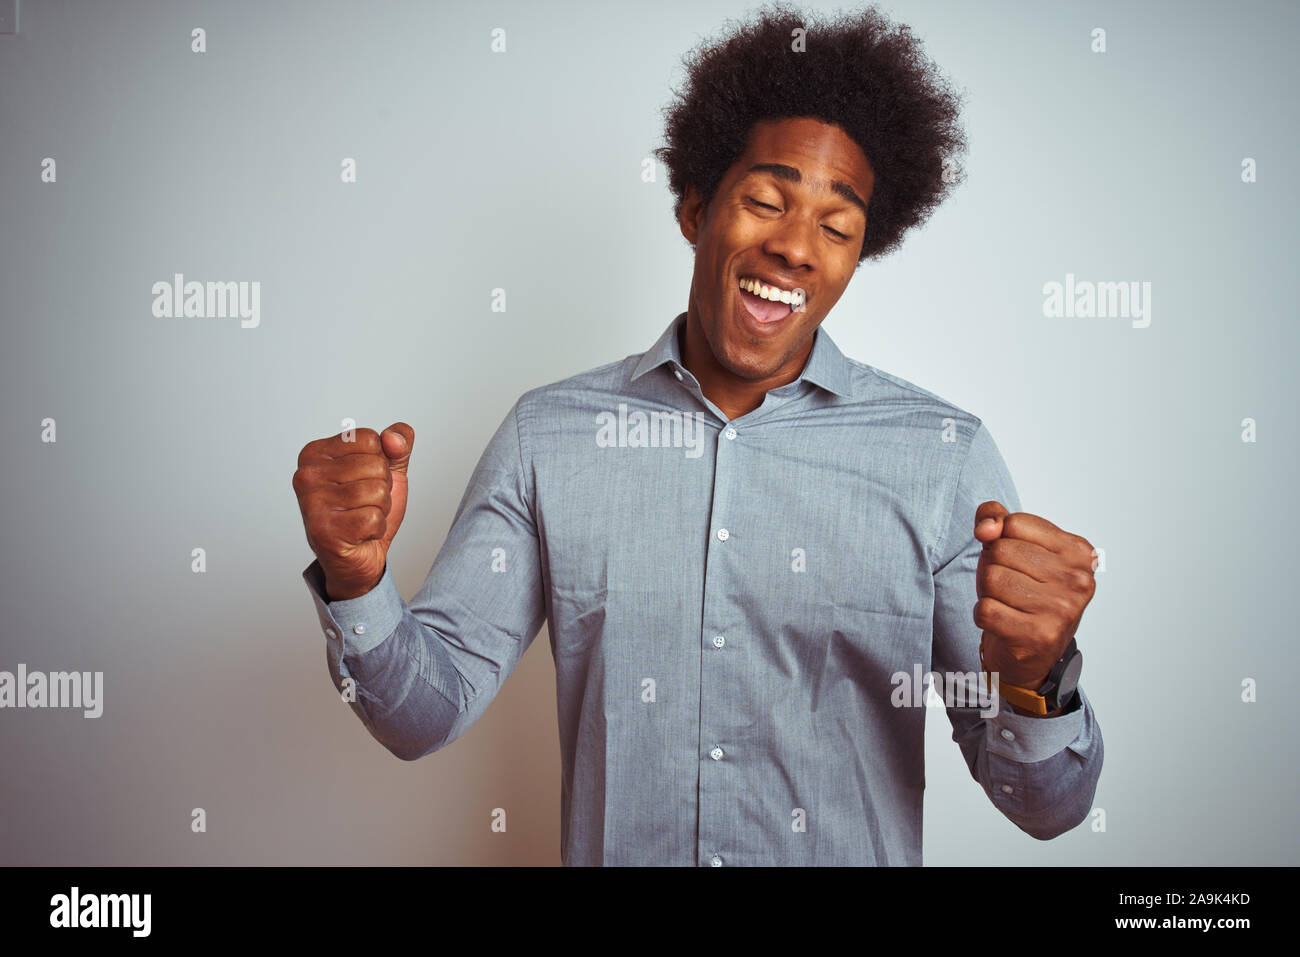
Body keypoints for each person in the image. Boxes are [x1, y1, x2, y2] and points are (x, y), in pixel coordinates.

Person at [291, 3, 1103, 866]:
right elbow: (424, 713)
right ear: (693, 208)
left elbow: (1043, 807)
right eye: (765, 200)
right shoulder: (549, 438)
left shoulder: (943, 461)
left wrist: (1038, 671)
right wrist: (357, 579)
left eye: (836, 227)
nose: (796, 247)